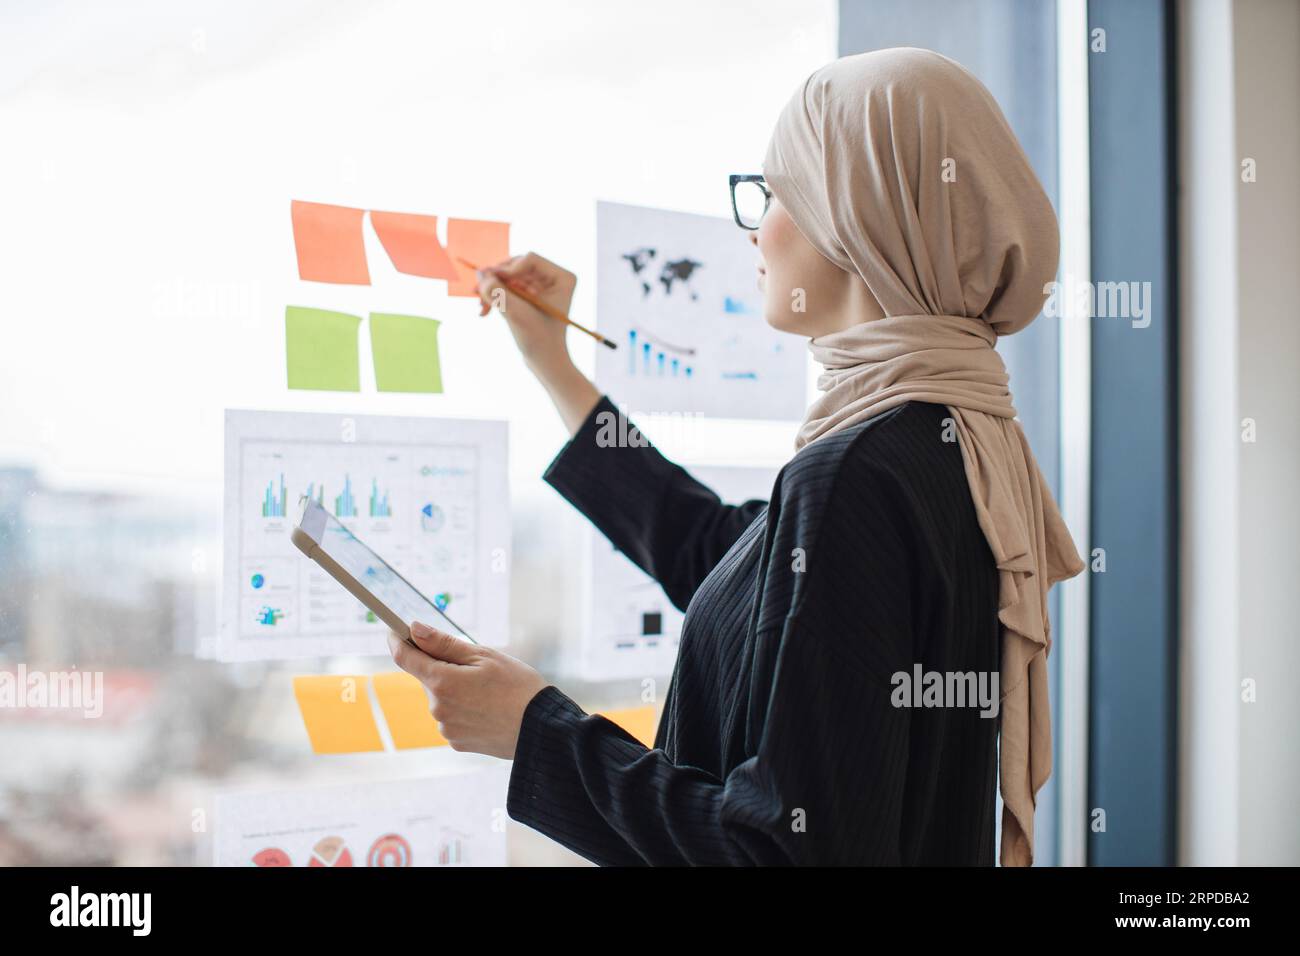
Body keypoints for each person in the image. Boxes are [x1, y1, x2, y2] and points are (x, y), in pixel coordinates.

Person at [387, 47, 1084, 866]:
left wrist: (535, 731)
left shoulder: (860, 469)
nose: (754, 224)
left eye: (775, 192)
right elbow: (724, 558)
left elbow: (777, 852)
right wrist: (555, 365)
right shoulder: (947, 437)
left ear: (853, 216)